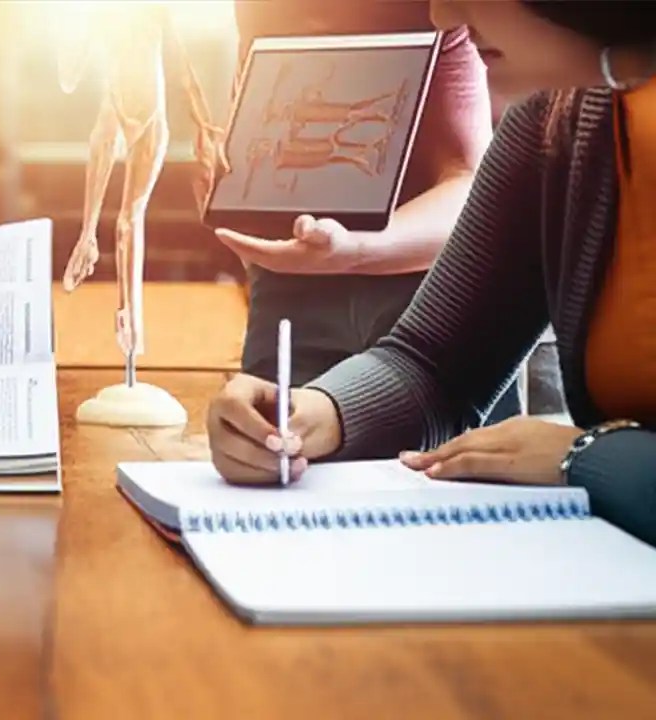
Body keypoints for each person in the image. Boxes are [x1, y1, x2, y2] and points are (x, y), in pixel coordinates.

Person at [206, 0, 656, 547]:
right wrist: (311, 416)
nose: (442, 16)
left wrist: (586, 455)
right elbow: (434, 366)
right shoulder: (553, 121)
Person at [214, 1, 515, 418]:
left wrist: (357, 248)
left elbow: (471, 188)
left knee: (457, 467)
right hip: (292, 284)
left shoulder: (443, 14)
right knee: (272, 447)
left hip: (428, 293)